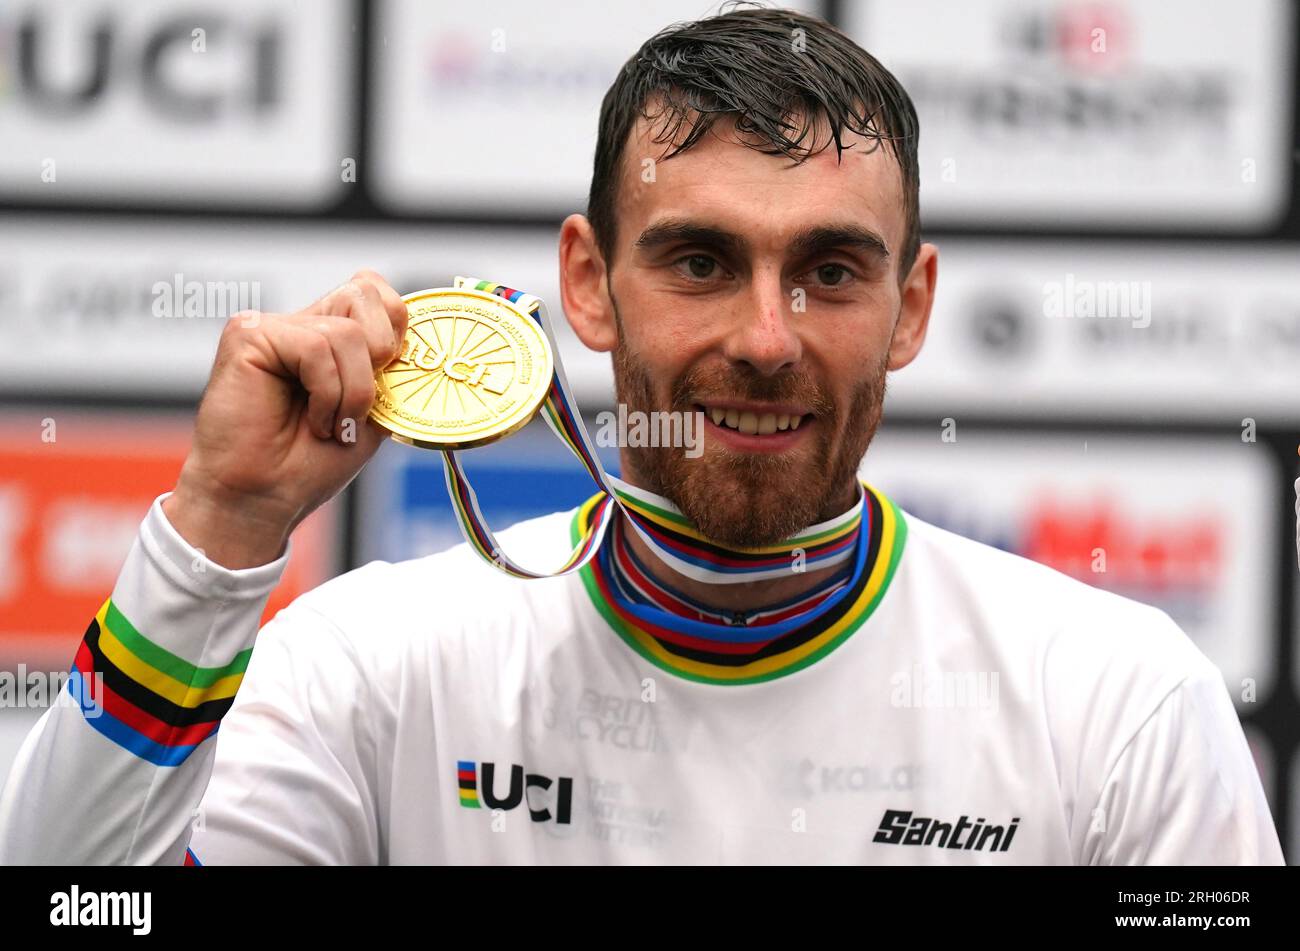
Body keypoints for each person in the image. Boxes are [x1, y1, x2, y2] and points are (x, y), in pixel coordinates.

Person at [0, 7, 1283, 864]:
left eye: (831, 271)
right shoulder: (370, 669)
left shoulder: (1115, 699)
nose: (767, 338)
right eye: (700, 261)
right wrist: (218, 530)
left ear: (910, 307)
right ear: (588, 284)